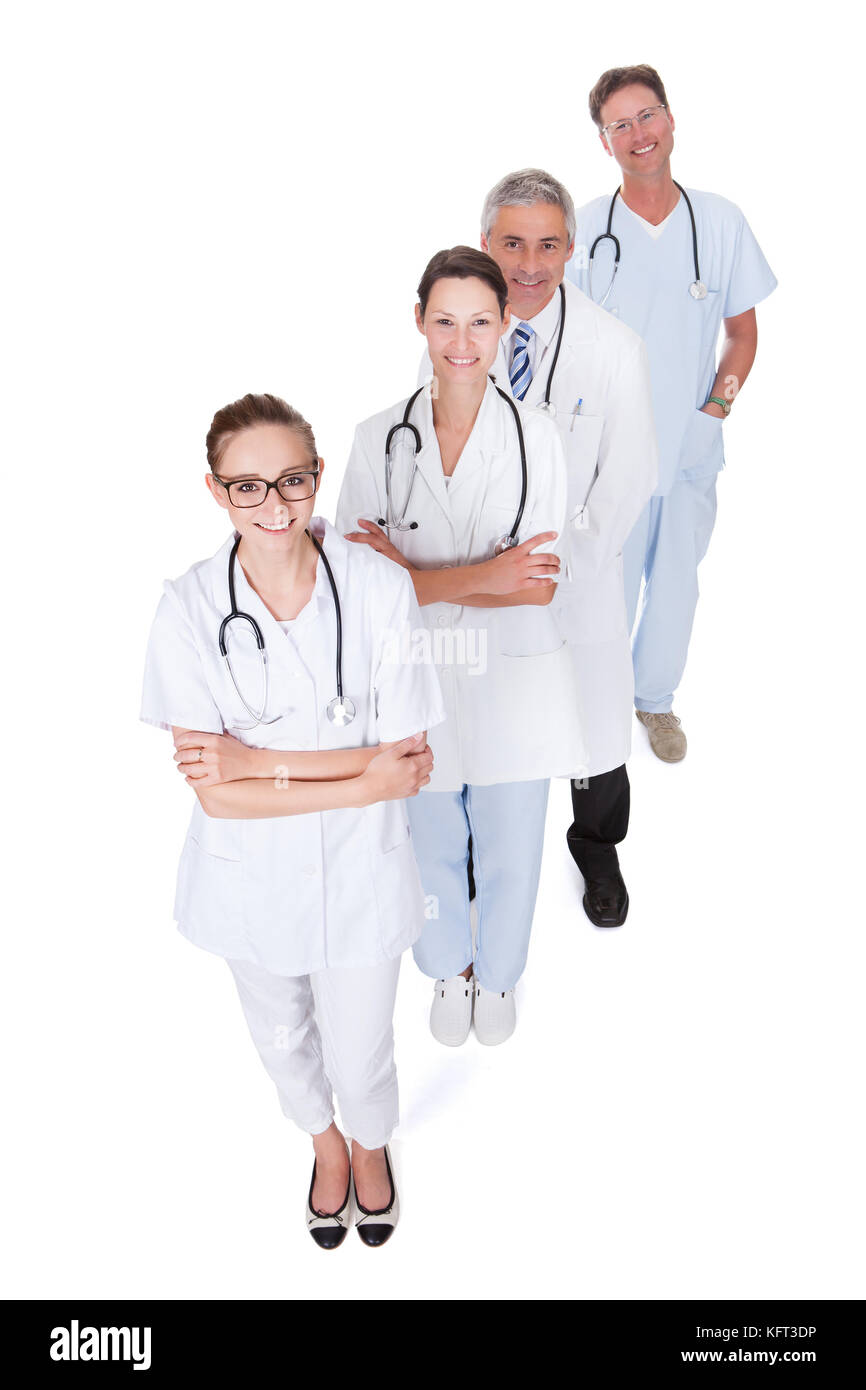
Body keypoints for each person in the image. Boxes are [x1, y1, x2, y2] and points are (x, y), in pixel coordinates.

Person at [140, 392, 445, 1249]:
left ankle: (372, 1144)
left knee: (362, 1051)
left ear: (318, 476)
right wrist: (356, 778)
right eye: (248, 487)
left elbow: (409, 765)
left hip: (363, 877)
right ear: (216, 491)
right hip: (249, 880)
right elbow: (215, 794)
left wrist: (252, 764)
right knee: (282, 1038)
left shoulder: (381, 589)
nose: (274, 506)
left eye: (293, 480)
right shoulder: (190, 609)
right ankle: (326, 1148)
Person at [336, 248, 587, 1047]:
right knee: (429, 837)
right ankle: (447, 963)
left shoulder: (537, 438)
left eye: (480, 321)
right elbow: (357, 585)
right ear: (420, 322)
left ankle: (502, 975)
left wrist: (413, 575)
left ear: (505, 324)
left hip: (516, 681)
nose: (462, 340)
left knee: (514, 847)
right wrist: (490, 573)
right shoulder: (377, 438)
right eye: (444, 320)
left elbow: (540, 586)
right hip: (412, 680)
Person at [419, 170, 657, 927]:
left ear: (571, 248)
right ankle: (492, 857)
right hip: (477, 582)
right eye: (513, 243)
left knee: (595, 730)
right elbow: (422, 450)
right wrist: (479, 576)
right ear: (485, 242)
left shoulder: (612, 347)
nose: (529, 263)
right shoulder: (454, 337)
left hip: (573, 580)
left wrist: (559, 571)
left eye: (548, 243)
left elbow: (629, 474)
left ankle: (596, 846)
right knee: (488, 730)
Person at [568, 64, 777, 762]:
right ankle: (594, 704)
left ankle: (654, 702)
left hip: (689, 446)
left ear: (672, 119)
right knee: (606, 587)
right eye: (619, 125)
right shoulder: (585, 229)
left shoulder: (718, 221)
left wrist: (714, 411)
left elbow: (742, 334)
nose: (638, 134)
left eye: (647, 115)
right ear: (605, 143)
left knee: (678, 586)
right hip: (608, 451)